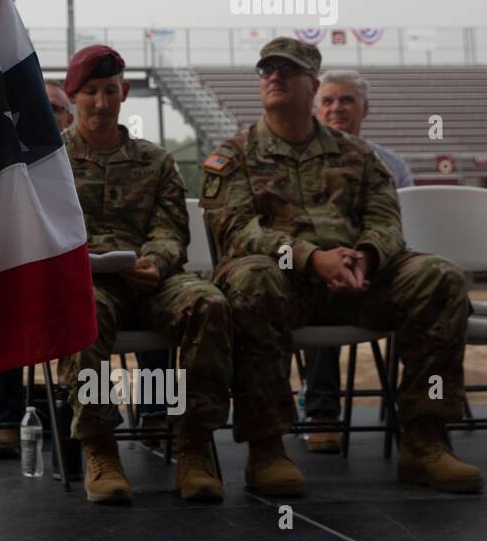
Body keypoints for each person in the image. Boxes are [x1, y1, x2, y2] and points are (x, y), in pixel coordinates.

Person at [201, 37, 480, 495]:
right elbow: (236, 230)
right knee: (251, 277)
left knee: (439, 277)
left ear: (310, 84)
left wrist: (365, 257)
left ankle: (424, 441)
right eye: (267, 70)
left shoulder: (358, 155)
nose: (274, 77)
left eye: (287, 71)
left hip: (358, 282)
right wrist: (312, 258)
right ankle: (267, 449)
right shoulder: (234, 157)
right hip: (283, 287)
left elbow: (387, 222)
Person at [55, 45, 232, 503]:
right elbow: (42, 229)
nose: (100, 102)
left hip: (151, 279)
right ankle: (101, 449)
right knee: (84, 307)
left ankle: (193, 447)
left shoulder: (155, 161)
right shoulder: (49, 163)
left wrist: (156, 260)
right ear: (73, 96)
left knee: (208, 302)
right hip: (89, 280)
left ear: (124, 92)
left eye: (109, 91)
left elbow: (171, 226)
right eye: (90, 92)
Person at [304, 68, 414, 452]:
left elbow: (400, 226)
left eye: (346, 100)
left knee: (433, 285)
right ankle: (322, 414)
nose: (337, 108)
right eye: (329, 100)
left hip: (379, 267)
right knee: (318, 284)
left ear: (365, 109)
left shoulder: (392, 165)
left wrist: (367, 259)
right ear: (316, 109)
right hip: (323, 270)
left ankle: (423, 420)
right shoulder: (299, 160)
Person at [0, 78, 79, 456]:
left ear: (68, 118)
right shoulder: (8, 166)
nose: (48, 117)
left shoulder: (86, 159)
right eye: (40, 108)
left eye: (56, 110)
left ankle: (156, 412)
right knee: (3, 299)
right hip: (30, 277)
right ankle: (6, 422)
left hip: (94, 278)